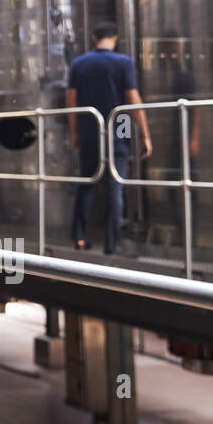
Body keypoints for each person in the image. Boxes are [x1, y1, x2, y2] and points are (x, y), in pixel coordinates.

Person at [66, 21, 152, 254]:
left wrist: (75, 134)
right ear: (115, 38)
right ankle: (111, 244)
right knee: (115, 187)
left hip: (89, 128)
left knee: (85, 184)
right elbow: (133, 99)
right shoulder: (124, 63)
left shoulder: (79, 64)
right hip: (120, 126)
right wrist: (145, 135)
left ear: (94, 37)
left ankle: (79, 238)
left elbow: (71, 102)